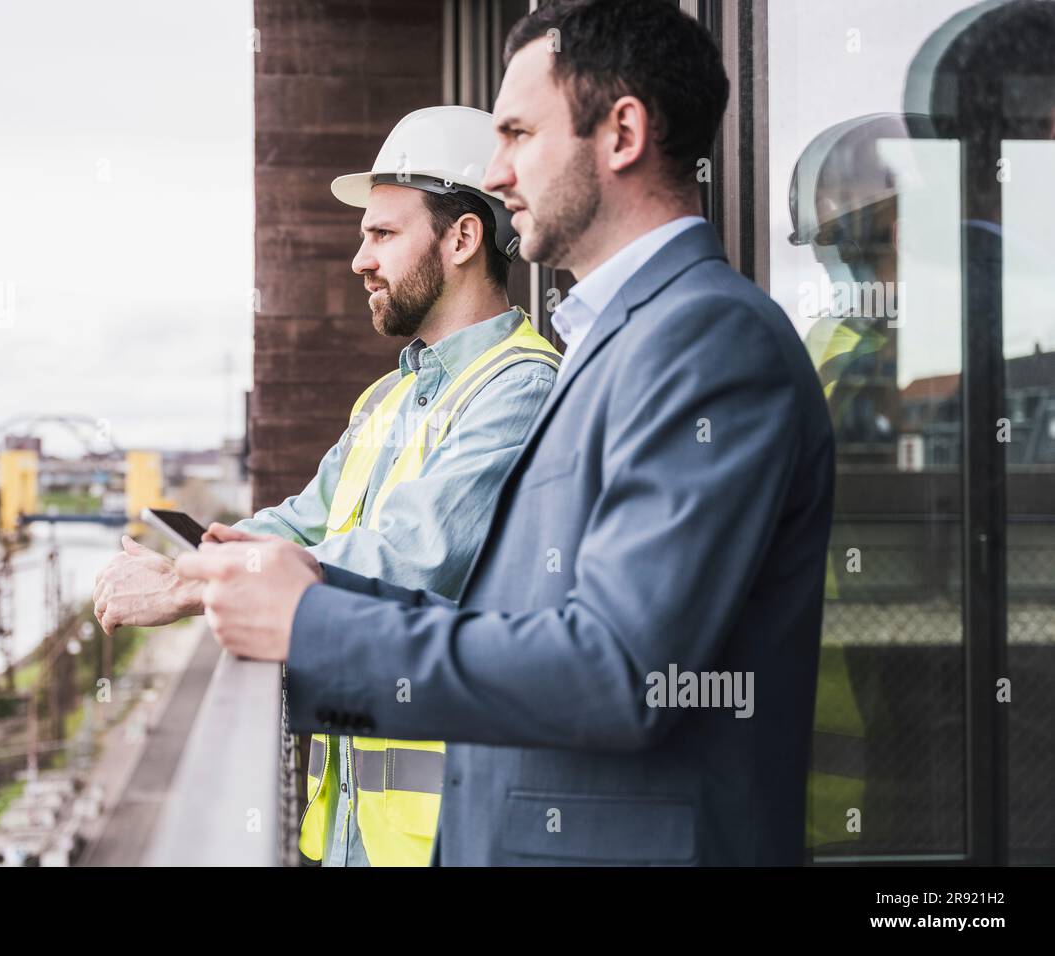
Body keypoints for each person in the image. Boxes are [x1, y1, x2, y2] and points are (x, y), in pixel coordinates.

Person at [178, 0, 836, 866]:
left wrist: (310, 623)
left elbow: (618, 669)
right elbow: (518, 615)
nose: (497, 172)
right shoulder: (613, 343)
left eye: (518, 134)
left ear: (623, 132)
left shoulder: (708, 342)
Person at [92, 105, 560, 866]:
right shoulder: (388, 400)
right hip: (351, 841)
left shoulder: (520, 391)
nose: (359, 259)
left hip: (448, 843)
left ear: (463, 238)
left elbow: (408, 556)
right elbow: (303, 525)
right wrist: (191, 564)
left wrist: (189, 591)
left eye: (382, 234)